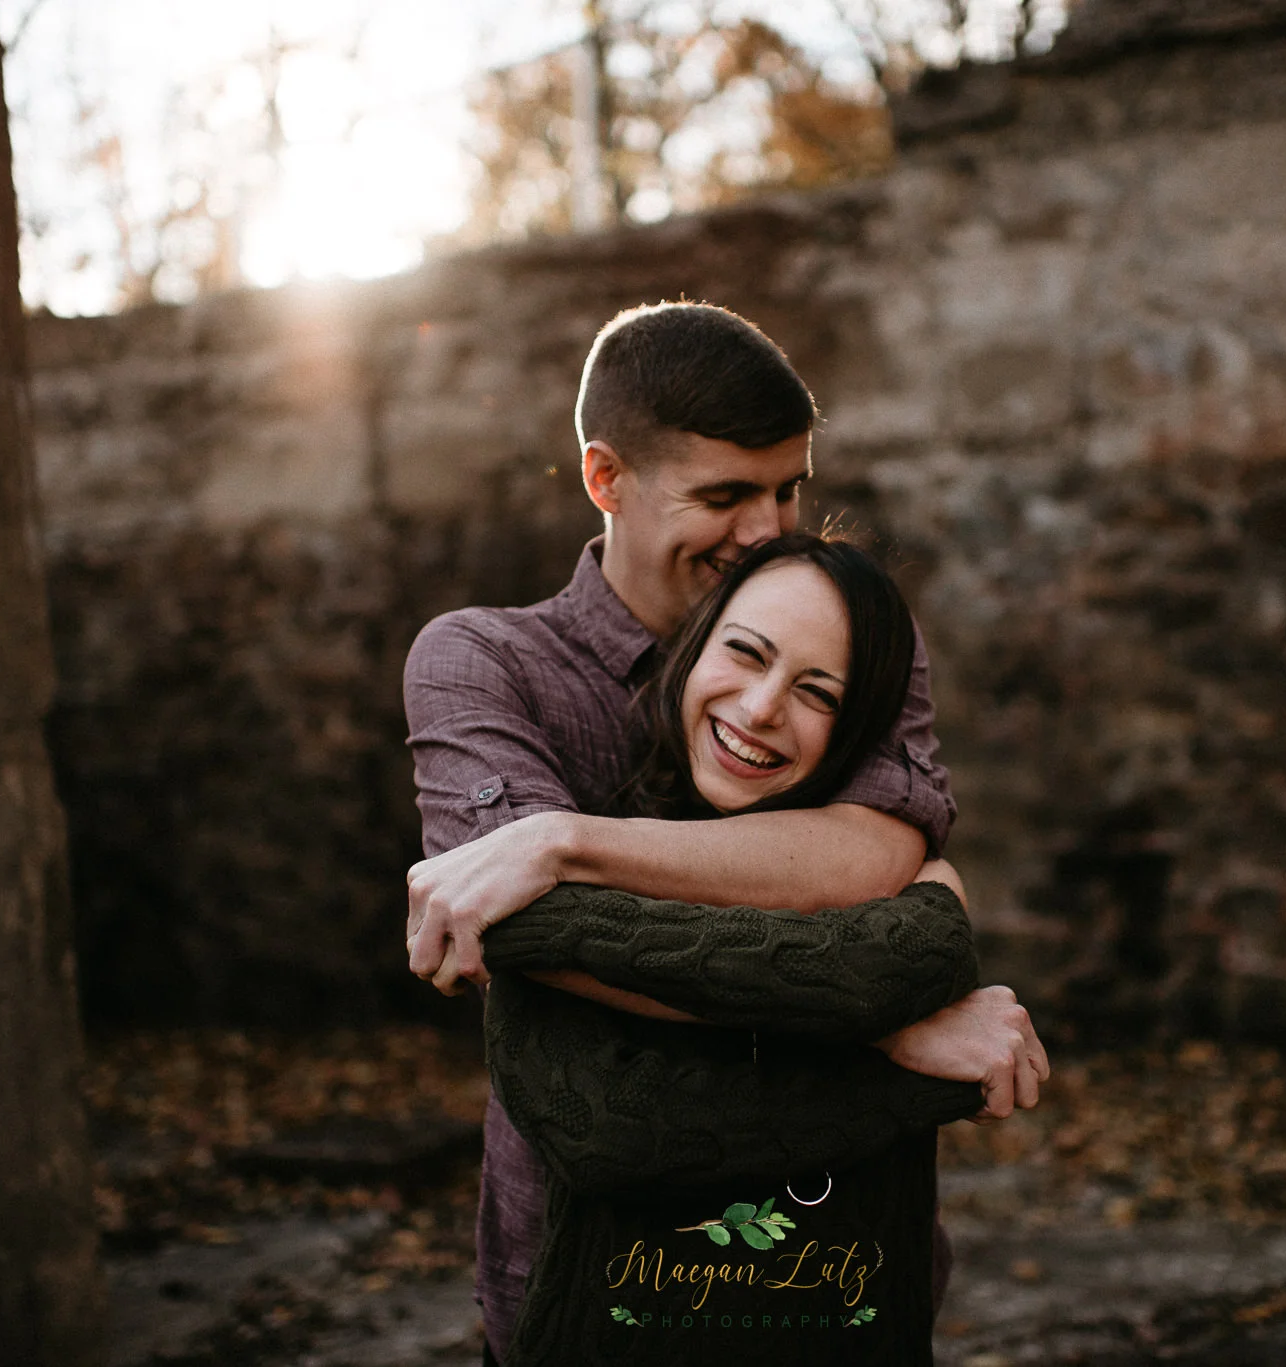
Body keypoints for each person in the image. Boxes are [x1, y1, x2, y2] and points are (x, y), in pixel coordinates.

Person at [402, 302, 1047, 1364]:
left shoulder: (853, 625)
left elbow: (880, 851)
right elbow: (542, 940)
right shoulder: (482, 661)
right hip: (581, 1293)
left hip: (837, 1277)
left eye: (788, 486)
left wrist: (563, 839)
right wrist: (882, 1025)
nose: (767, 529)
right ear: (605, 480)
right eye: (724, 494)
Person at [477, 532, 1002, 1364]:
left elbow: (929, 947)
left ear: (857, 727)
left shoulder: (887, 870)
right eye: (744, 652)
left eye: (818, 693)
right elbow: (610, 1128)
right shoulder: (589, 839)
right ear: (692, 649)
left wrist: (565, 904)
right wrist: (902, 1060)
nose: (761, 708)